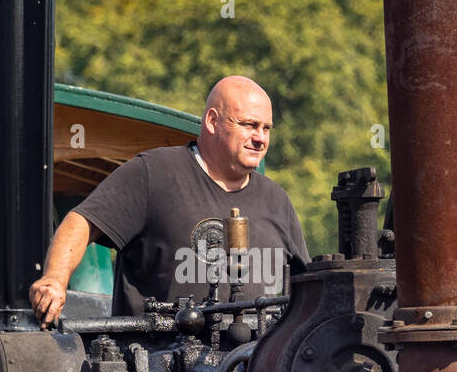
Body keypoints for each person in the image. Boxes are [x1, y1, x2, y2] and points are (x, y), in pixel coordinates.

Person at [30, 75, 310, 326]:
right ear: (212, 121)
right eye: (249, 125)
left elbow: (309, 289)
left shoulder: (278, 201)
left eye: (266, 128)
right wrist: (55, 279)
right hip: (158, 367)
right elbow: (81, 222)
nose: (260, 138)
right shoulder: (154, 173)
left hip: (255, 371)